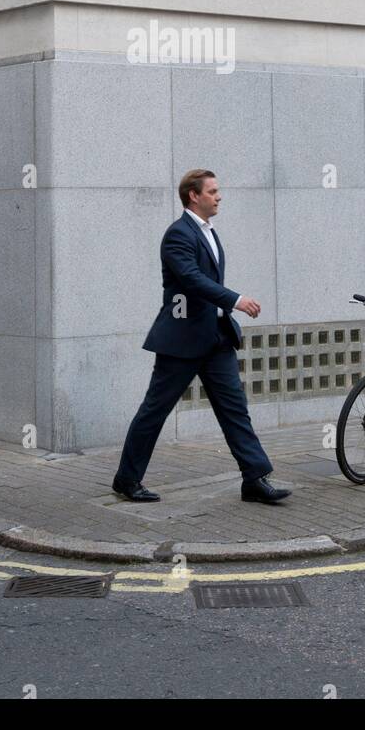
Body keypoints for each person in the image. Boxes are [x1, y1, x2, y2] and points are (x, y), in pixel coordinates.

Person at [112, 169, 291, 505]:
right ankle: (127, 479)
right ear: (194, 195)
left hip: (215, 338)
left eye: (217, 190)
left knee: (235, 409)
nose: (219, 196)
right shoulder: (178, 234)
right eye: (212, 191)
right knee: (155, 410)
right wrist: (236, 300)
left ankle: (254, 478)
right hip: (181, 340)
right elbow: (192, 279)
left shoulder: (208, 232)